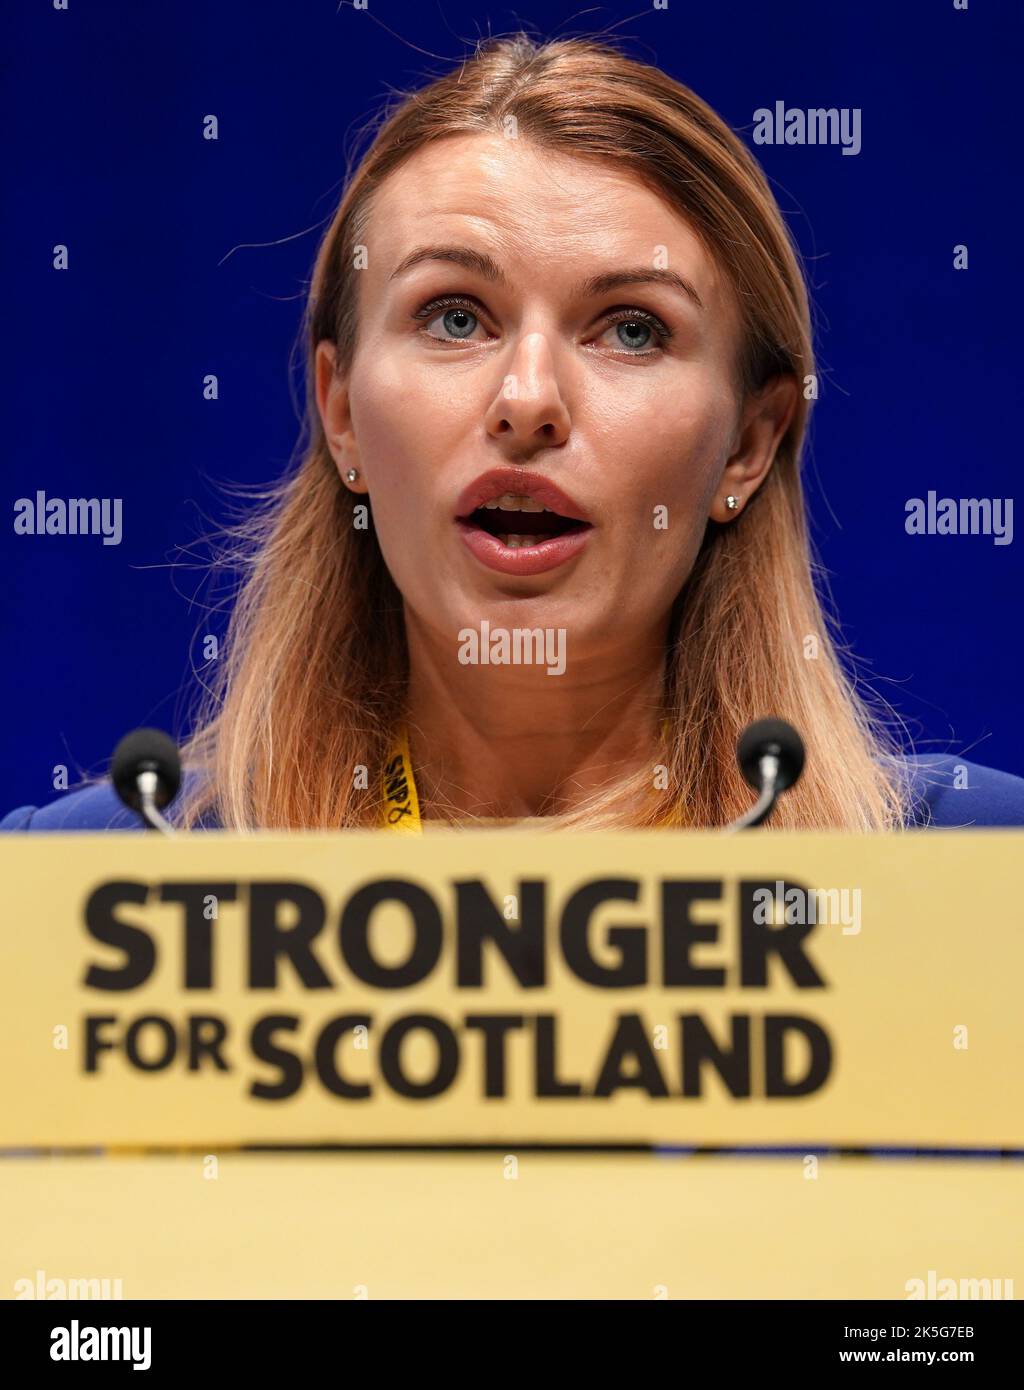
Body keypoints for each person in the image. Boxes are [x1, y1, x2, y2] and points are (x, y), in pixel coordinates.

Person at [4, 34, 1023, 834]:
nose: (528, 397)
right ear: (342, 410)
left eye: (631, 329)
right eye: (454, 317)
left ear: (750, 444)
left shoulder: (970, 880)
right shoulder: (88, 895)